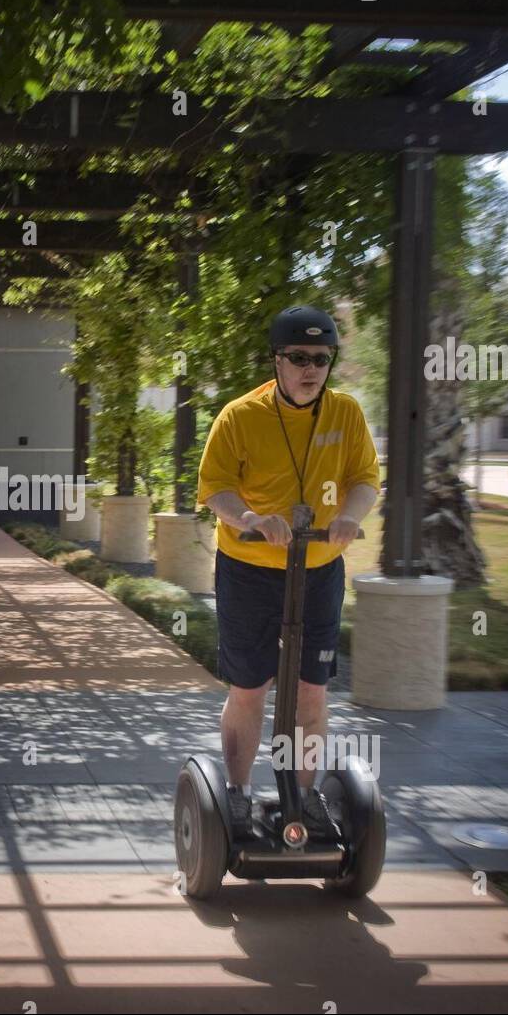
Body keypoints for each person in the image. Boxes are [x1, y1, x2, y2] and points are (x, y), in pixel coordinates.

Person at [196, 305, 380, 841]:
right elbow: (215, 487)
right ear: (277, 360)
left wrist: (350, 516)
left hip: (319, 570)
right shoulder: (239, 416)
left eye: (322, 359)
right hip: (249, 568)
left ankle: (303, 795)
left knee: (311, 693)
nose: (311, 369)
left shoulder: (345, 414)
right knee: (250, 688)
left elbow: (365, 477)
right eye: (298, 357)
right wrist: (249, 517)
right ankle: (235, 793)